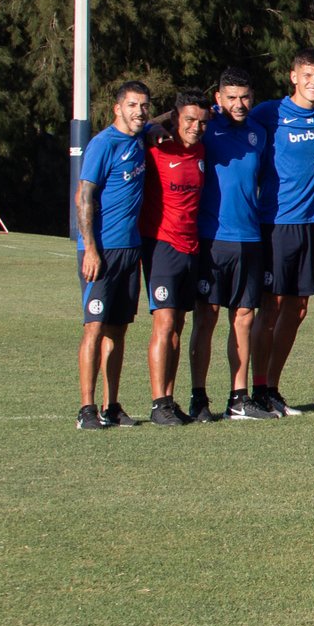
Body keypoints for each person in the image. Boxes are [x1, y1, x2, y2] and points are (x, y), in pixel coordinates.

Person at [248, 48, 314, 416]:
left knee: (299, 309)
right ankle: (256, 389)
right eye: (308, 76)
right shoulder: (268, 113)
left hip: (312, 224)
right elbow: (229, 121)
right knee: (271, 307)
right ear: (293, 76)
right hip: (276, 223)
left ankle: (273, 388)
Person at [194, 69, 273, 423]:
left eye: (244, 97)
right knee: (206, 319)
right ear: (218, 99)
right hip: (212, 239)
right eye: (231, 98)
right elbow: (161, 126)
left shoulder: (259, 132)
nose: (239, 104)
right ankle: (198, 397)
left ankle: (238, 397)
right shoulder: (206, 128)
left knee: (244, 317)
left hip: (250, 238)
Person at [75, 81, 152, 429]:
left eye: (144, 105)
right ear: (117, 108)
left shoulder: (140, 137)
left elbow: (164, 120)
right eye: (132, 105)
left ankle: (112, 406)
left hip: (129, 250)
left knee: (118, 331)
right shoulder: (102, 144)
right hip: (101, 252)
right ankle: (86, 409)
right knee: (94, 327)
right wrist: (90, 248)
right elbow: (84, 197)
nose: (139, 111)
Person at [138, 90, 208, 426]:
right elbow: (137, 124)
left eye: (200, 121)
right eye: (189, 119)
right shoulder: (157, 147)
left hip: (191, 247)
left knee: (178, 326)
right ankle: (157, 403)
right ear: (176, 118)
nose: (196, 126)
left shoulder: (202, 151)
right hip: (161, 246)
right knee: (163, 324)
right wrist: (160, 122)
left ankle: (169, 398)